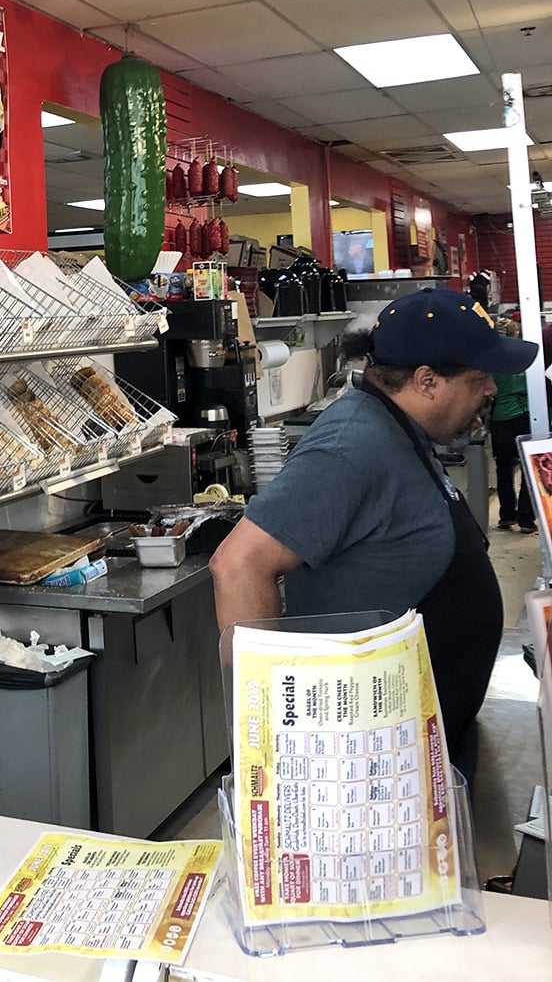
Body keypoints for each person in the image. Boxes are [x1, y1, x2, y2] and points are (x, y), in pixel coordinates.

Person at [210, 287, 538, 774]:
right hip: (361, 761)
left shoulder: (404, 430)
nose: (491, 389)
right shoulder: (351, 444)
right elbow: (238, 564)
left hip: (416, 745)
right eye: (480, 377)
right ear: (427, 380)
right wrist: (271, 717)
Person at [490, 318, 536, 534]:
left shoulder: (492, 360)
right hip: (527, 415)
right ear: (516, 333)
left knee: (504, 467)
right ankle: (526, 519)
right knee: (529, 468)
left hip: (502, 417)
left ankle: (507, 515)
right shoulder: (525, 357)